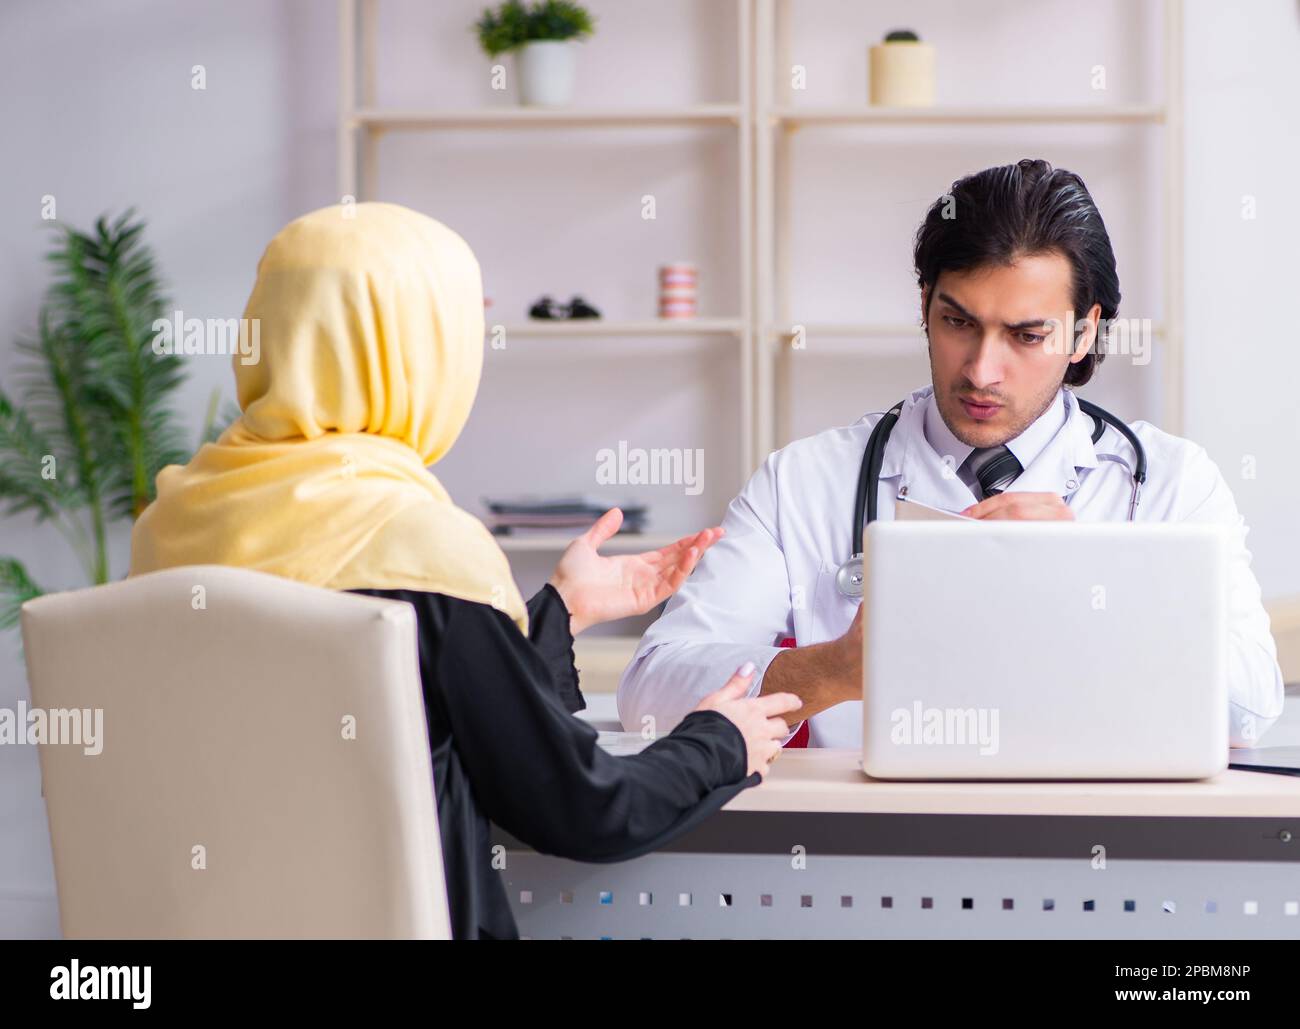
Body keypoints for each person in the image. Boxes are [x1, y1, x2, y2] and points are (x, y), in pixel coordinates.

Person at [129, 201, 799, 939]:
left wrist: (559, 612)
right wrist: (719, 740)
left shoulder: (171, 525)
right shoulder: (418, 545)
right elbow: (581, 808)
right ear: (412, 353)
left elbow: (432, 708)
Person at [618, 158, 1285, 751]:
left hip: (1089, 858)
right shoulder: (805, 482)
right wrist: (838, 670)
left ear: (1085, 332)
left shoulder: (1170, 483)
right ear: (924, 307)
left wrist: (1095, 586)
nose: (982, 370)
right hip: (861, 864)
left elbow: (1248, 709)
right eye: (958, 322)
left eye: (1026, 334)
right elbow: (650, 695)